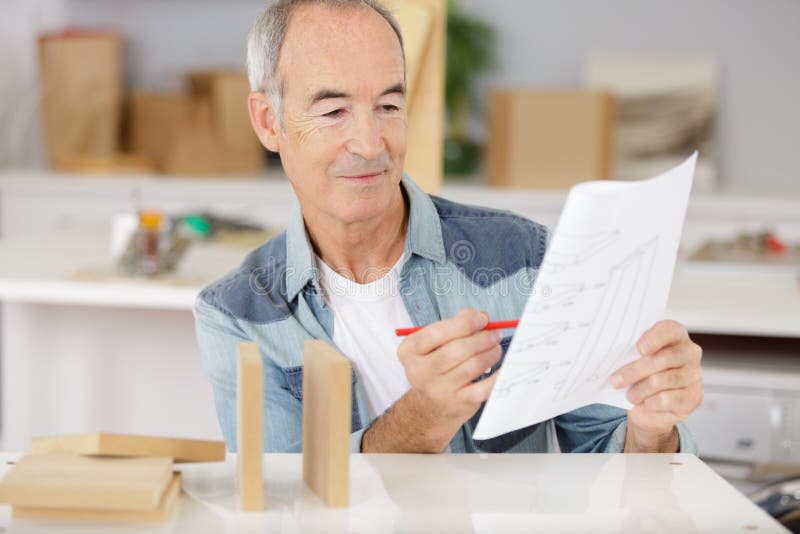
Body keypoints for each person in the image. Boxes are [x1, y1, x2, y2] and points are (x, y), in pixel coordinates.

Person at [194, 0, 703, 454]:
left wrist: (652, 430)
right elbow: (285, 504)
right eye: (333, 111)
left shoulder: (523, 257)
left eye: (388, 106)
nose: (369, 144)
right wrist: (424, 417)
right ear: (268, 121)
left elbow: (609, 454)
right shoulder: (237, 314)